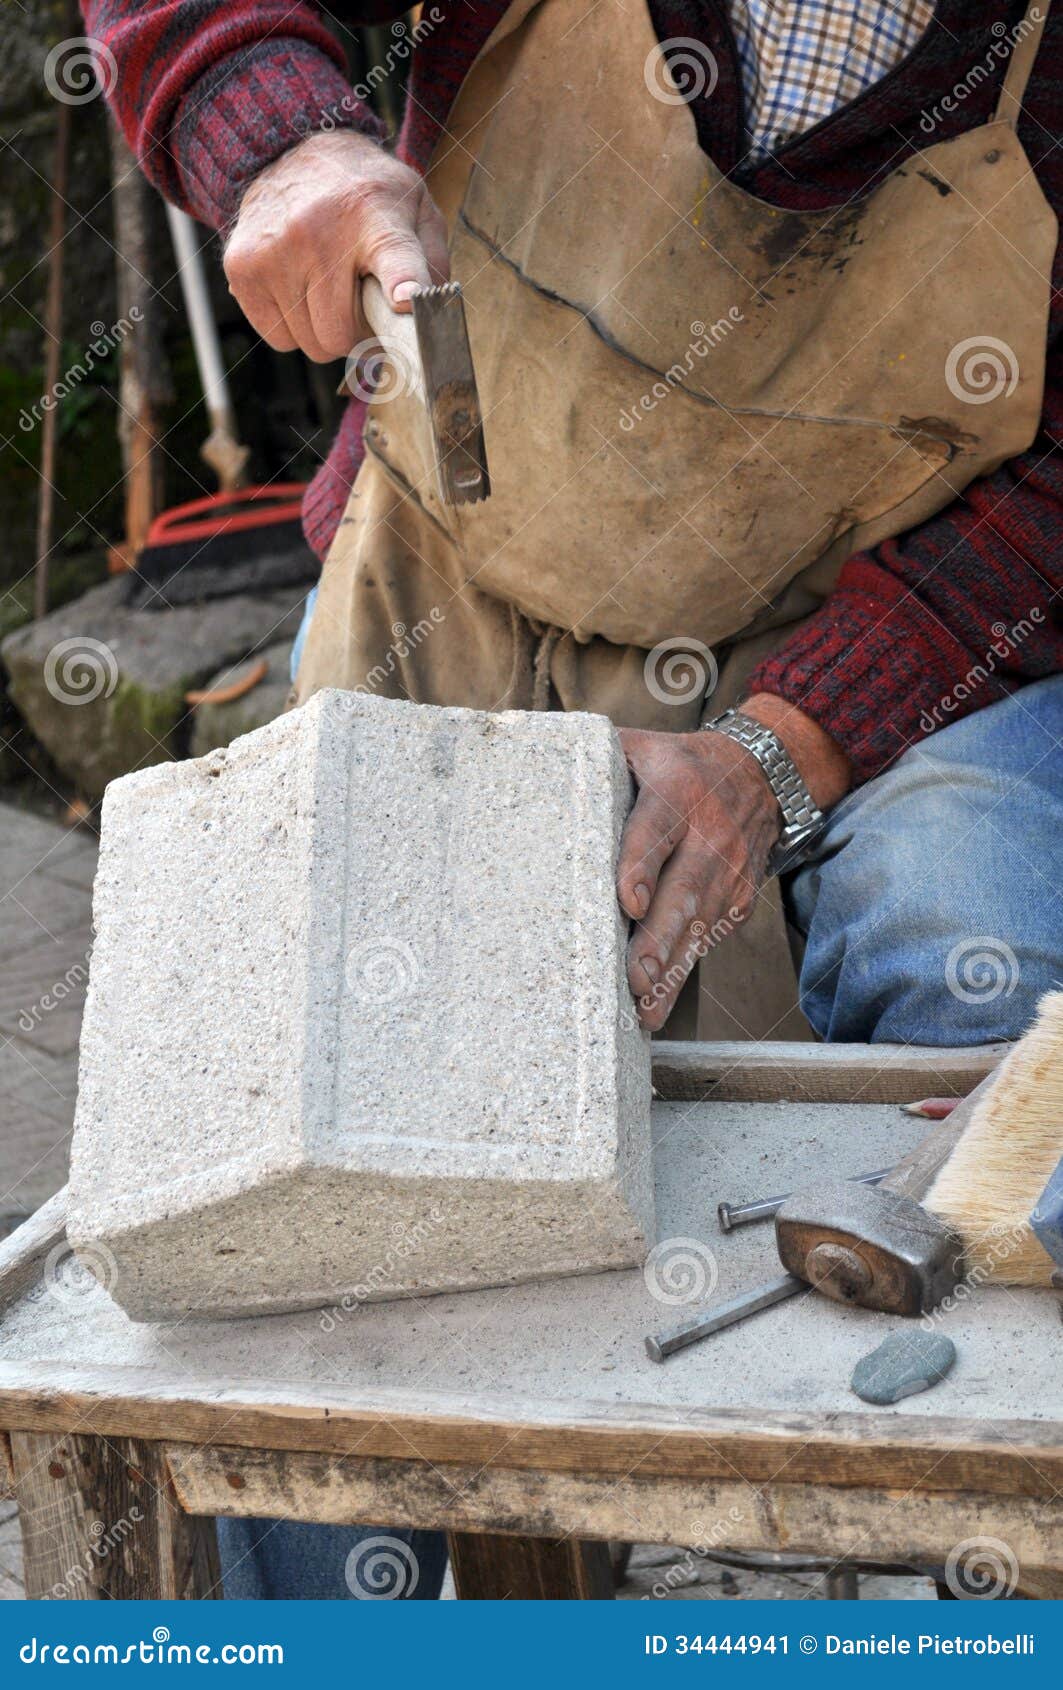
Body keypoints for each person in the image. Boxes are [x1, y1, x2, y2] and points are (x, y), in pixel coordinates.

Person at [86, 0, 1062, 1596]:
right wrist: (278, 132)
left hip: (820, 653)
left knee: (690, 1240)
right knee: (288, 1256)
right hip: (438, 589)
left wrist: (782, 753)